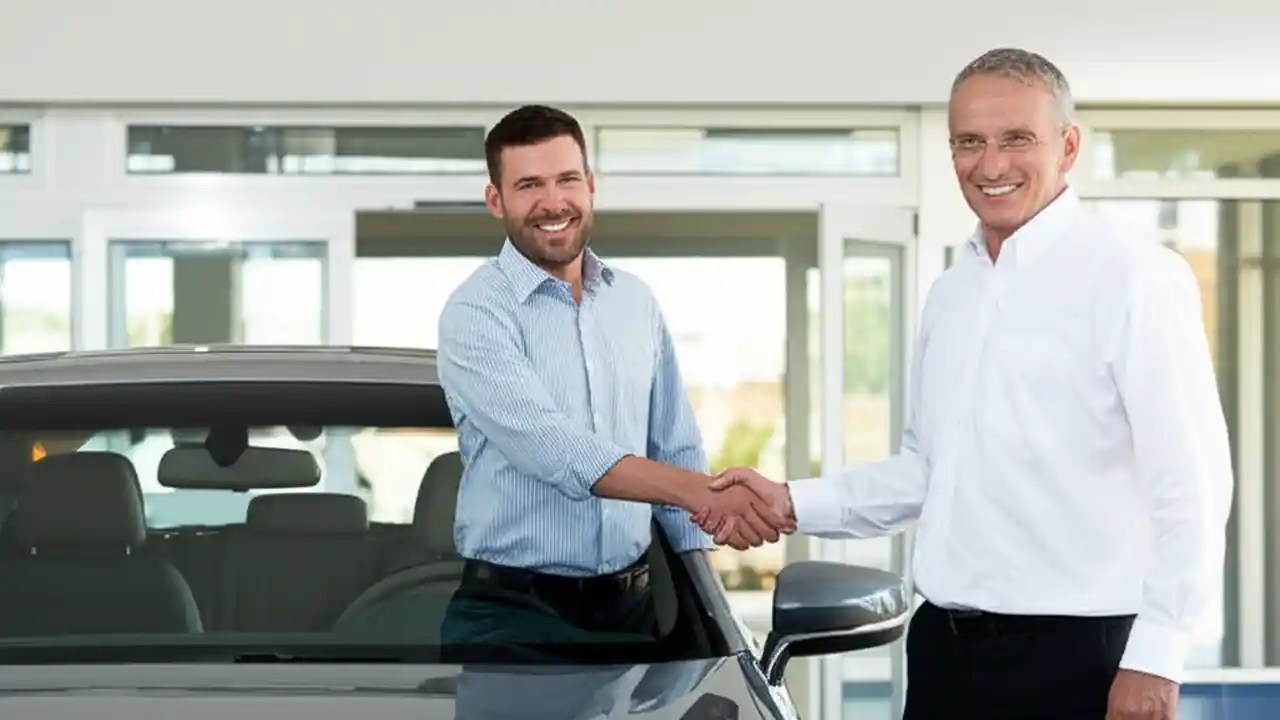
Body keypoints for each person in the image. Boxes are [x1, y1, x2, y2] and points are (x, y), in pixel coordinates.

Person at [697, 48, 1233, 720]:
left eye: (1017, 139)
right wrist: (786, 501)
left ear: (1068, 147)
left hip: (1083, 657)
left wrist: (1157, 654)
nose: (991, 164)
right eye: (969, 142)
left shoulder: (1135, 277)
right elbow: (926, 471)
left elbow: (1193, 483)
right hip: (945, 655)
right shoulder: (953, 292)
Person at [435, 105, 791, 647]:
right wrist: (704, 493)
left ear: (591, 185)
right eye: (529, 184)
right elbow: (556, 450)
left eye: (567, 179)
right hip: (513, 621)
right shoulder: (476, 313)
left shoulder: (634, 303)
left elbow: (674, 445)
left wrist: (710, 602)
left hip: (634, 612)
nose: (553, 202)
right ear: (496, 200)